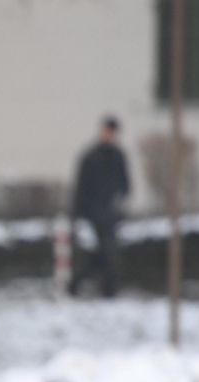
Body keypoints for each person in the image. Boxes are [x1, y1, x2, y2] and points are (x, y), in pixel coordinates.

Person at [70, 116, 130, 298]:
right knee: (93, 256)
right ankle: (75, 286)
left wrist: (119, 202)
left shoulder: (118, 156)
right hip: (92, 215)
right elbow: (81, 187)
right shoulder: (90, 157)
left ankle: (108, 291)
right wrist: (79, 216)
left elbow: (125, 185)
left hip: (110, 216)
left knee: (108, 255)